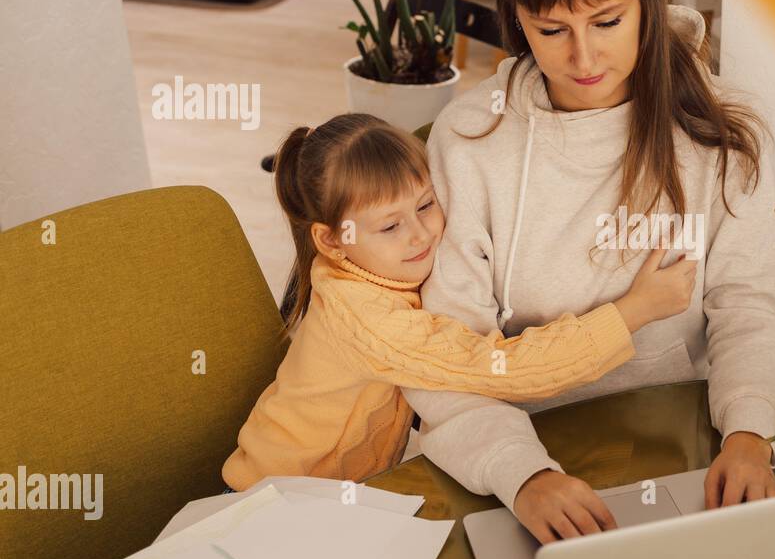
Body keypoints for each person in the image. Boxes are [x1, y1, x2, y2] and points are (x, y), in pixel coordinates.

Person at [404, 0, 775, 543]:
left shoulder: (720, 136)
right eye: (552, 30)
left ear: (645, 2)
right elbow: (443, 354)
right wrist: (523, 474)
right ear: (519, 23)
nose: (584, 57)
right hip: (512, 463)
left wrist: (751, 432)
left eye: (607, 22)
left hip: (682, 446)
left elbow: (747, 305)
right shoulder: (468, 144)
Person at [222, 113, 696, 491]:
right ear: (331, 241)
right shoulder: (368, 321)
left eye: (426, 205)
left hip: (330, 499)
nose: (421, 233)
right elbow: (506, 370)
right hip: (268, 506)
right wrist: (636, 310)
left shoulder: (371, 272)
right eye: (390, 226)